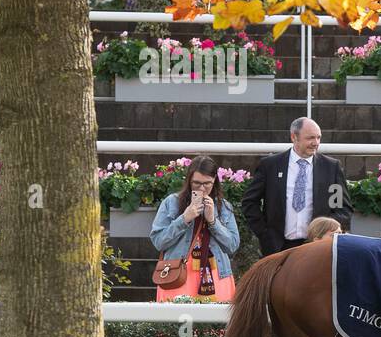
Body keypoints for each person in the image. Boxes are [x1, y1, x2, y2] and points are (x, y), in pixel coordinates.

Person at [241, 117, 353, 256]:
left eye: (319, 138)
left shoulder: (331, 167)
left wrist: (326, 234)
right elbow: (250, 202)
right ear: (294, 137)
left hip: (316, 248)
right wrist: (264, 233)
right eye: (310, 138)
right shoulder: (270, 165)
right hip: (277, 247)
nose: (316, 143)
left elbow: (342, 208)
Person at [150, 156, 241, 302]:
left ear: (215, 182)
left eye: (207, 184)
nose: (202, 188)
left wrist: (213, 221)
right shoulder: (171, 202)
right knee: (177, 322)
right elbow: (158, 241)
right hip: (178, 274)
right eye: (196, 183)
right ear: (188, 181)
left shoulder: (223, 206)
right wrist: (184, 218)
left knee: (216, 324)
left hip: (217, 274)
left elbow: (233, 245)